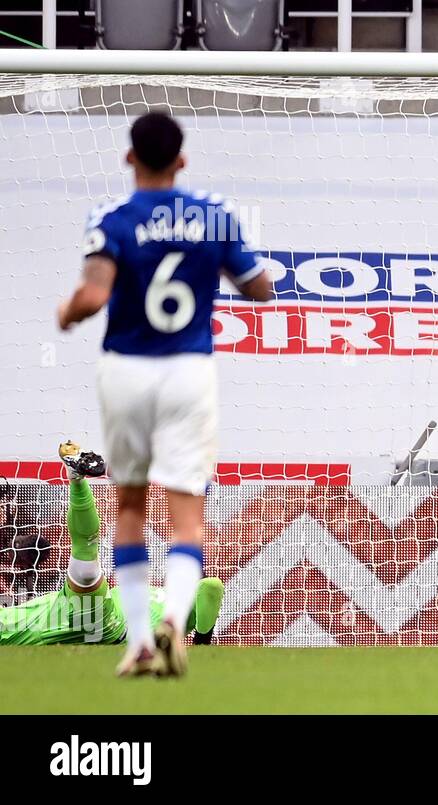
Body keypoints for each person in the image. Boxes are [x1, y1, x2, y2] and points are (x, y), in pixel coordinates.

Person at [56, 111, 272, 676]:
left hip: (126, 370)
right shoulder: (215, 218)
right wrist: (252, 273)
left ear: (130, 158)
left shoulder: (111, 219)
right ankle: (174, 619)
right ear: (182, 161)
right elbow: (259, 289)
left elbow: (93, 294)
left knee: (129, 506)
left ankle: (139, 644)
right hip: (187, 374)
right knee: (186, 515)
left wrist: (66, 312)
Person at [0, 442, 224, 654]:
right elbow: (210, 586)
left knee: (86, 559)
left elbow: (211, 587)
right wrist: (201, 645)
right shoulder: (169, 603)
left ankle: (77, 481)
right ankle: (77, 480)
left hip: (102, 621)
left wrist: (201, 642)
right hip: (84, 618)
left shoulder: (187, 603)